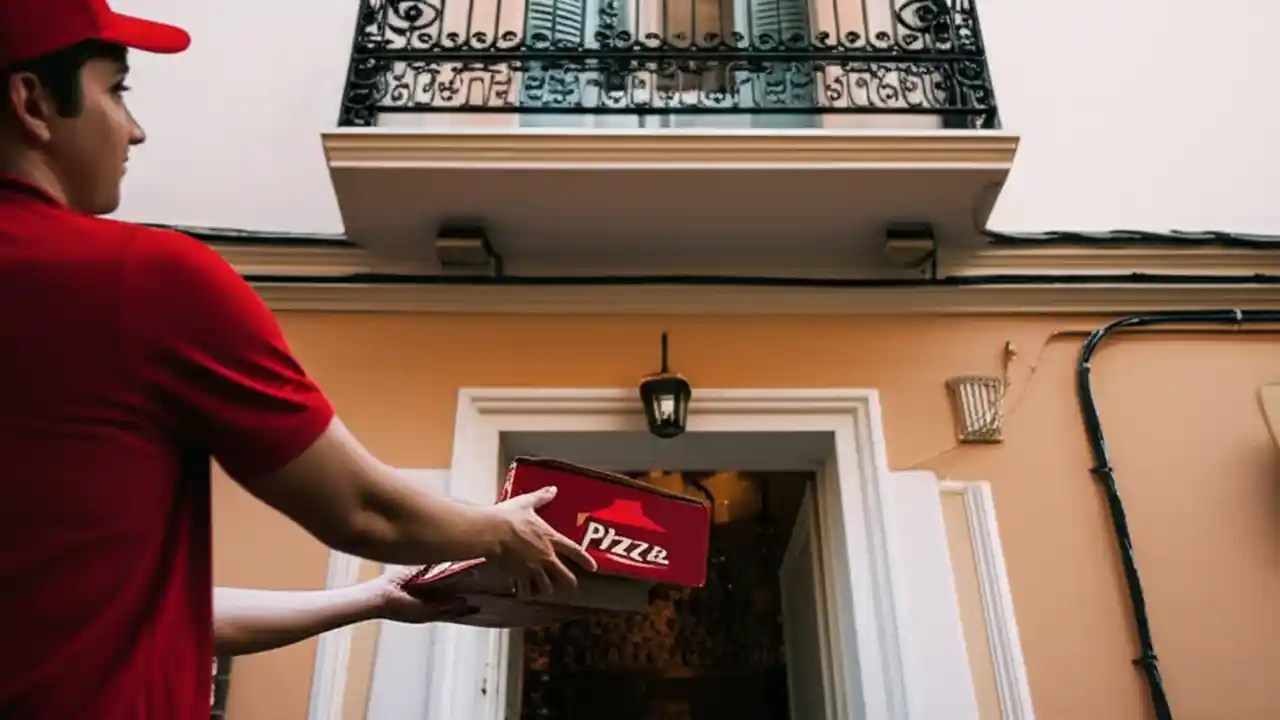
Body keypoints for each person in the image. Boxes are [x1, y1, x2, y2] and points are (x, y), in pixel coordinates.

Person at [0, 2, 597, 718]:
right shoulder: (141, 281)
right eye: (117, 90)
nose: (135, 128)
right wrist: (499, 531)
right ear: (32, 102)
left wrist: (372, 598)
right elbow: (363, 511)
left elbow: (174, 616)